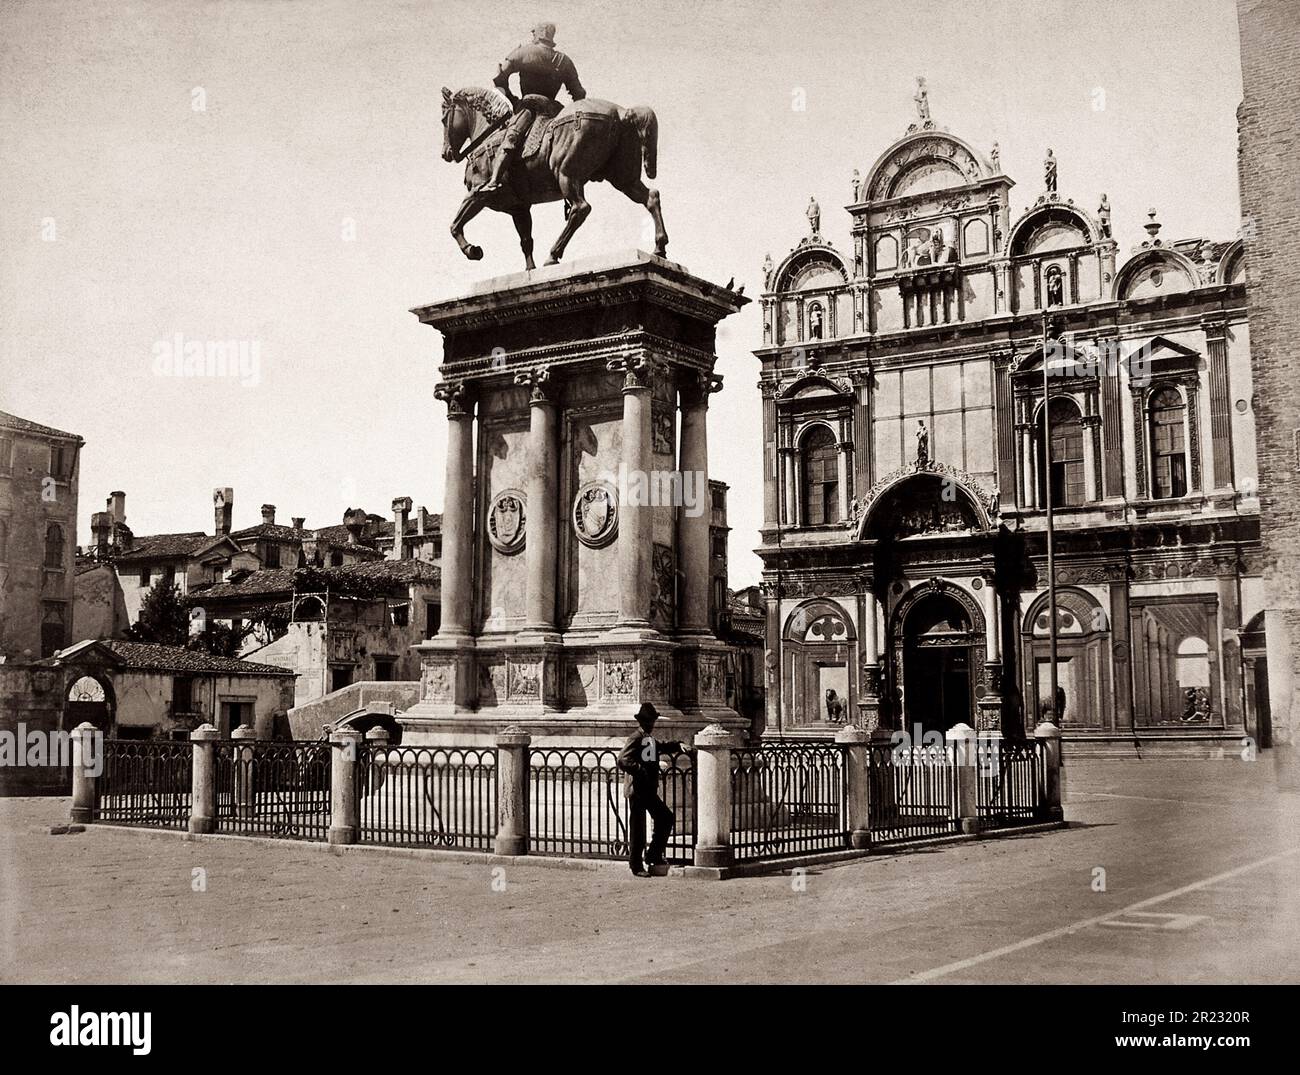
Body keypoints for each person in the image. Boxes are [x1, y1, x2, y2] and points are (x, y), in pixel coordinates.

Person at [481, 21, 586, 194]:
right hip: (554, 110)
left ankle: (494, 180)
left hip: (529, 106)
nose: (532, 35)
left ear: (539, 34)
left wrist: (511, 97)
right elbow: (579, 94)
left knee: (512, 137)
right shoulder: (564, 60)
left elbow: (499, 77)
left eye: (534, 32)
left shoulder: (524, 52)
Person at [616, 703, 681, 876]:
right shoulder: (636, 737)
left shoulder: (649, 739)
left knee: (665, 818)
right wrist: (640, 770)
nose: (651, 724)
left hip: (648, 789)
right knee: (638, 827)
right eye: (648, 721)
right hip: (637, 789)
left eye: (652, 721)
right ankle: (636, 865)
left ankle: (653, 854)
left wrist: (678, 746)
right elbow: (623, 759)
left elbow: (661, 747)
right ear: (642, 722)